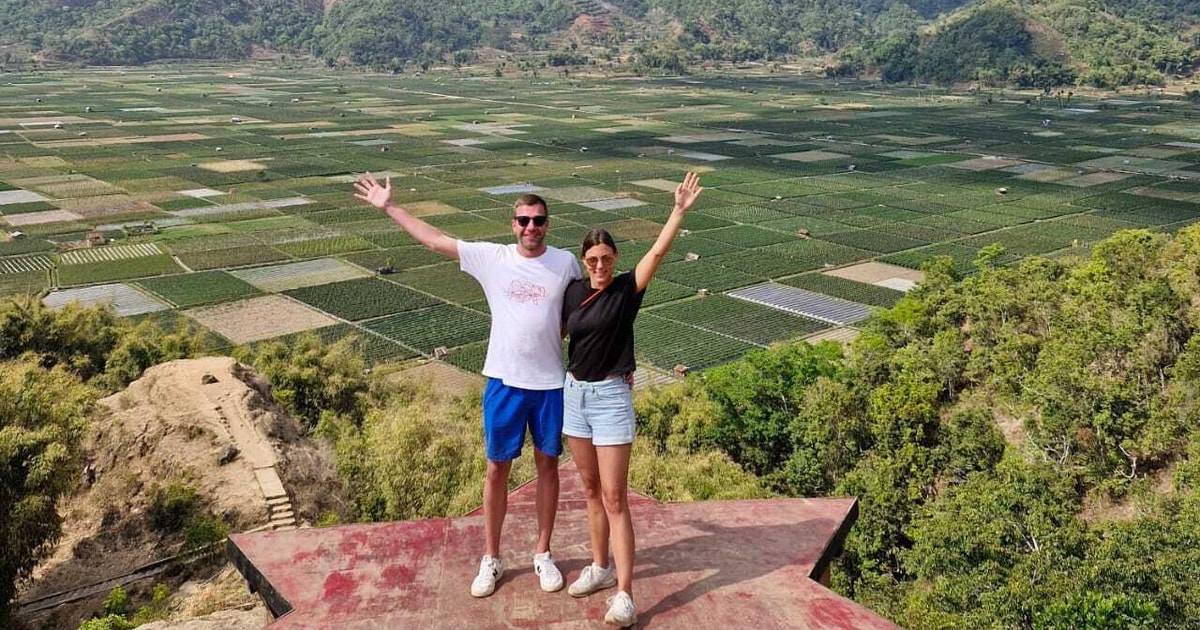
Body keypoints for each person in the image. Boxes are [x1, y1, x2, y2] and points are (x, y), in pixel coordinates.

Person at [353, 174, 581, 598]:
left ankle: (543, 553)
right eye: (524, 220)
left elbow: (583, 314)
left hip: (549, 383)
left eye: (538, 220)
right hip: (504, 381)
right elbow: (435, 240)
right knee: (497, 469)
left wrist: (614, 362)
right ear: (512, 224)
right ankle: (491, 558)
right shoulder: (492, 258)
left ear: (548, 224)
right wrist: (389, 207)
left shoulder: (566, 262)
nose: (531, 227)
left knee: (548, 468)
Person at [561, 172, 703, 626]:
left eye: (605, 258)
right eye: (592, 259)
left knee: (615, 496)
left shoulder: (626, 291)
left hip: (610, 398)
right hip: (575, 396)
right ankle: (600, 568)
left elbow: (658, 252)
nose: (599, 265)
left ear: (616, 258)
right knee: (588, 491)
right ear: (584, 261)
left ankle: (624, 592)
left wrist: (677, 211)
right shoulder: (573, 293)